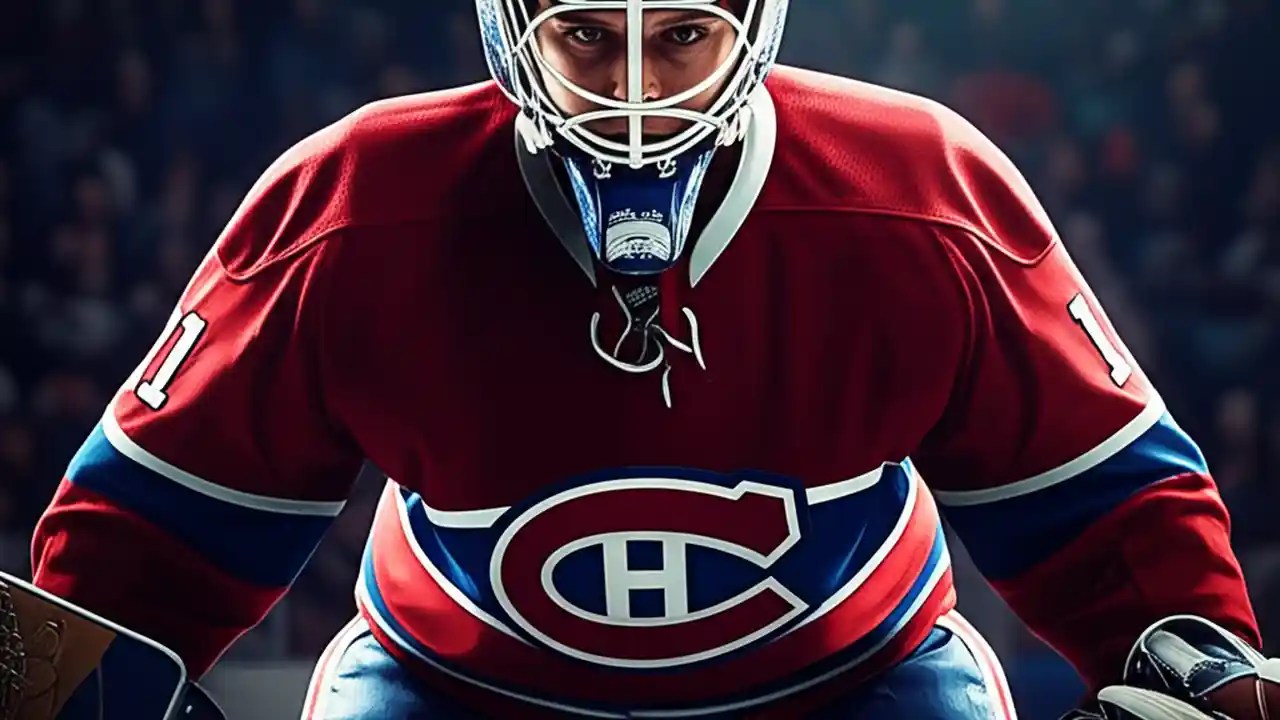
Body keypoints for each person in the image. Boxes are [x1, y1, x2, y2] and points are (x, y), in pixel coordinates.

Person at [25, 1, 1279, 718]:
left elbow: (1109, 516)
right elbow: (137, 560)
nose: (635, 91)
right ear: (514, 27)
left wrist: (1200, 664)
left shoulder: (922, 194)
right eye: (589, 36)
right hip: (453, 684)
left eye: (678, 35)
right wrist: (78, 679)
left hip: (855, 679)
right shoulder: (349, 205)